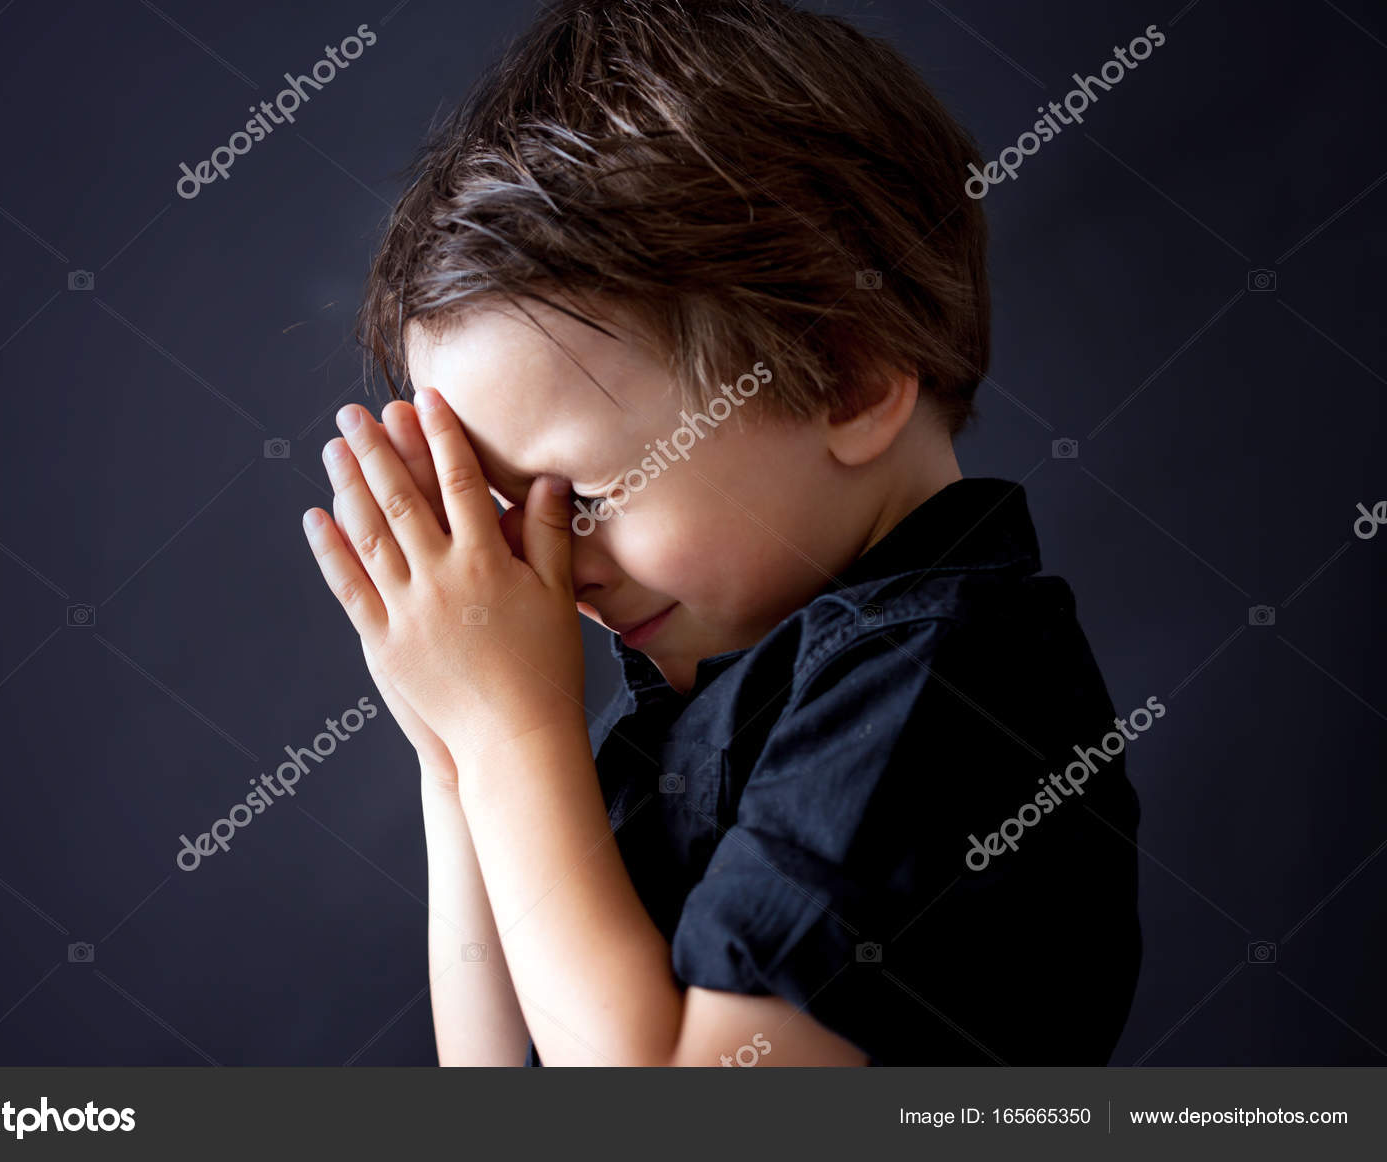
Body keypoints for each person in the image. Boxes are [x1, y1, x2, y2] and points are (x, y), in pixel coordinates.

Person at [302, 0, 1141, 1066]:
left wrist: (512, 735)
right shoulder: (702, 708)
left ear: (844, 378)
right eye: (517, 516)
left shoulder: (944, 688)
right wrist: (456, 749)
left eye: (589, 498)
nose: (556, 573)